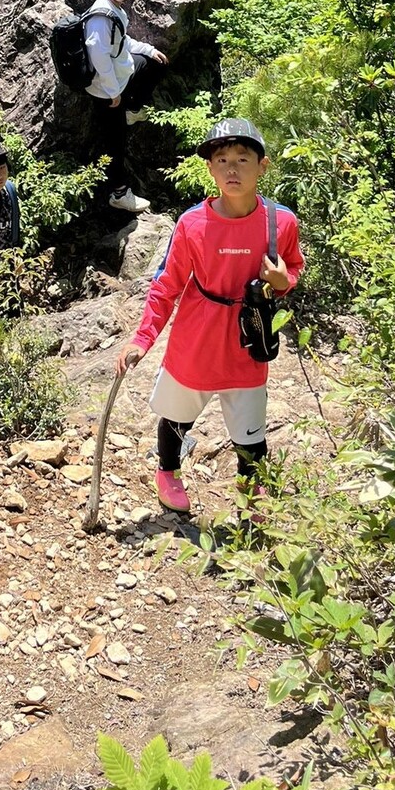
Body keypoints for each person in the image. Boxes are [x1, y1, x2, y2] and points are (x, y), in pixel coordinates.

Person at [114, 118, 304, 513]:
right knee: (176, 412)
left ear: (262, 166)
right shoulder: (192, 223)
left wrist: (284, 279)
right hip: (197, 334)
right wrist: (142, 339)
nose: (232, 169)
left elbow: (292, 271)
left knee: (250, 426)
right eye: (222, 160)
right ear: (210, 168)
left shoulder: (280, 221)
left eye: (242, 159)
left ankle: (252, 487)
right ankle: (168, 472)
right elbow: (167, 285)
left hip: (247, 336)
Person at [85, 0, 168, 214]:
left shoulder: (115, 9)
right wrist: (114, 93)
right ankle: (119, 193)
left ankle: (131, 110)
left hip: (121, 78)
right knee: (115, 143)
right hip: (105, 89)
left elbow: (122, 42)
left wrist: (149, 49)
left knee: (156, 64)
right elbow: (98, 55)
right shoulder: (101, 16)